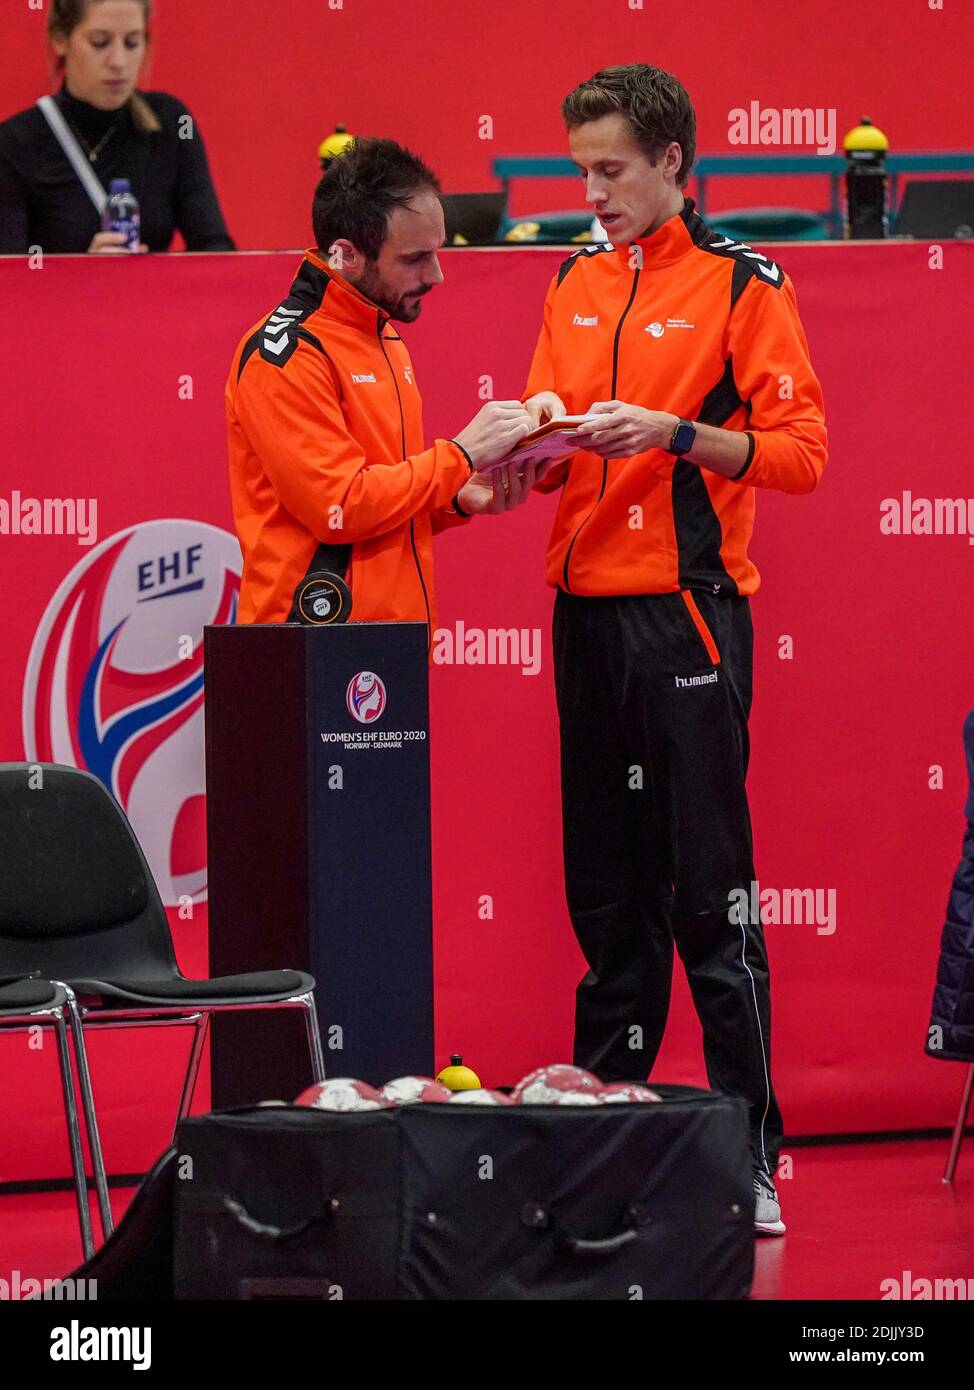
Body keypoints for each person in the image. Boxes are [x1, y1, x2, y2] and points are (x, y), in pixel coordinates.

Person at [521, 64, 828, 1236]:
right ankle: (605, 1137)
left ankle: (748, 1153)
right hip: (580, 612)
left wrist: (678, 435)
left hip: (686, 611)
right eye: (580, 169)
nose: (590, 192)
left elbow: (799, 453)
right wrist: (523, 449)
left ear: (672, 167)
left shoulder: (745, 283)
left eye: (610, 170)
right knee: (606, 901)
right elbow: (553, 438)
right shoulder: (569, 278)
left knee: (710, 899)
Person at [226, 136, 539, 632]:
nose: (436, 274)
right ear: (347, 255)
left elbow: (385, 502)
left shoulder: (381, 331)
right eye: (414, 258)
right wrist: (459, 456)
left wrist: (458, 496)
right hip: (309, 641)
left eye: (437, 252)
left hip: (387, 642)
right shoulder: (285, 353)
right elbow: (341, 508)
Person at [0, 0, 234, 255]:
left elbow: (216, 250)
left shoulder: (170, 121)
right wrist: (85, 274)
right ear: (60, 39)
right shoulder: (15, 143)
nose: (119, 61)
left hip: (151, 295)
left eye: (132, 42)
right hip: (62, 295)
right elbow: (10, 280)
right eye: (99, 42)